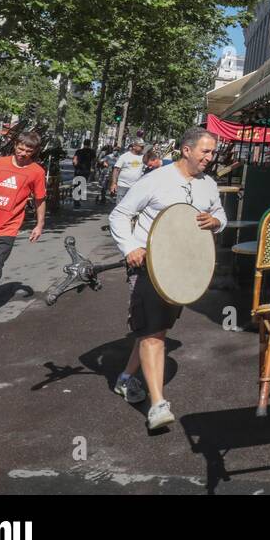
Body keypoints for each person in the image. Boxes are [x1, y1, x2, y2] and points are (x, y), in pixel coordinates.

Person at [107, 127, 225, 431]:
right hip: (149, 266)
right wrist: (130, 247)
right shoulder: (156, 180)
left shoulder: (208, 185)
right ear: (187, 150)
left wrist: (216, 222)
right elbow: (119, 214)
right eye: (206, 151)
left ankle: (123, 380)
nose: (210, 158)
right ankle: (158, 405)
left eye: (213, 152)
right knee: (153, 332)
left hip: (183, 269)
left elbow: (220, 214)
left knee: (155, 330)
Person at [0, 130, 47, 312]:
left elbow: (39, 199)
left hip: (9, 226)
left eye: (28, 151)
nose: (22, 153)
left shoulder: (37, 172)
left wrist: (40, 224)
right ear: (15, 146)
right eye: (20, 149)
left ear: (34, 151)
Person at [108, 139, 146, 203]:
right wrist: (114, 183)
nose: (143, 148)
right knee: (120, 205)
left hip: (135, 187)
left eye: (143, 146)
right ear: (134, 146)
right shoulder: (124, 156)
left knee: (131, 206)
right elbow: (116, 170)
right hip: (123, 185)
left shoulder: (143, 157)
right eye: (141, 146)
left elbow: (146, 169)